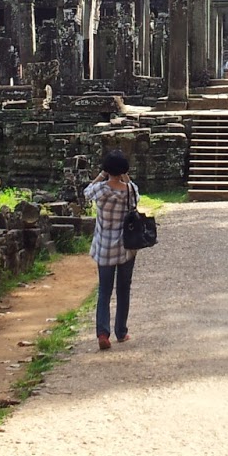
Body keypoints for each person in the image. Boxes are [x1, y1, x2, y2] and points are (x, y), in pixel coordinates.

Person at [85, 149, 140, 350]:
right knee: (124, 289)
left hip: (105, 247)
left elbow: (86, 192)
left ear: (107, 169)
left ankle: (102, 332)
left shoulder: (100, 190)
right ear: (124, 169)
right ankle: (121, 331)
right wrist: (125, 176)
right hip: (126, 247)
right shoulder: (130, 190)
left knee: (104, 290)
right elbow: (137, 196)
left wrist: (102, 175)